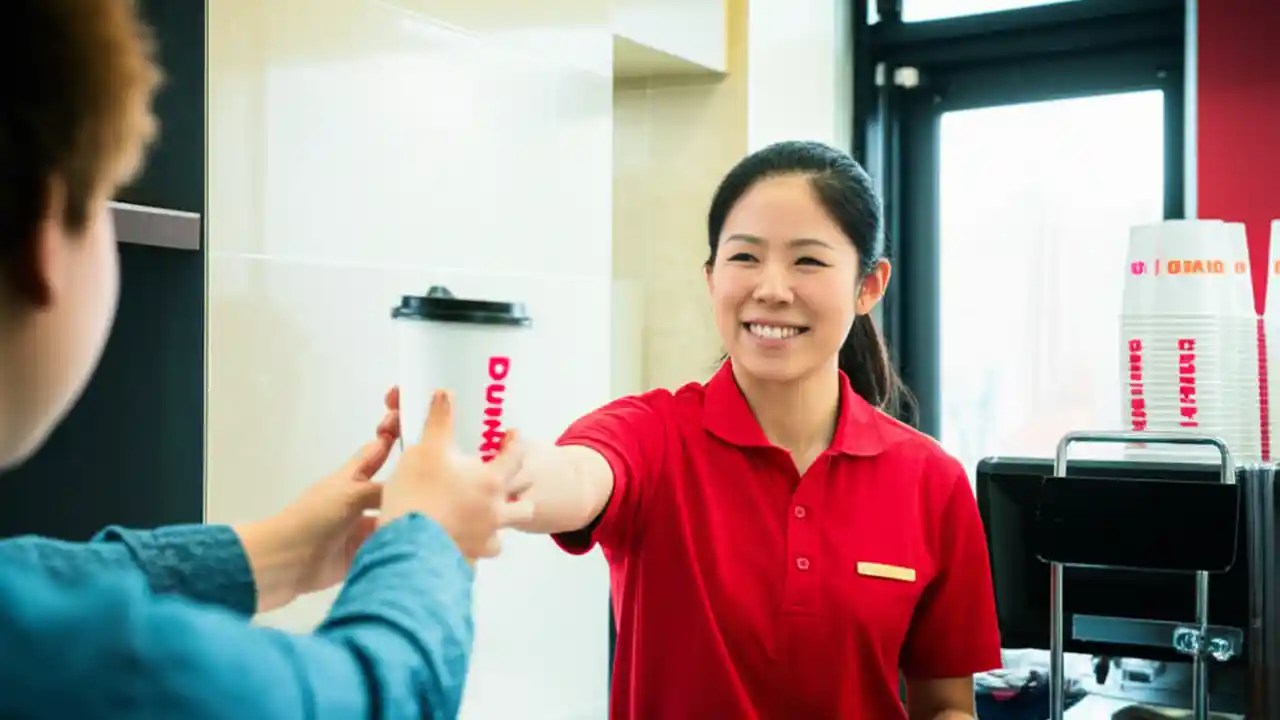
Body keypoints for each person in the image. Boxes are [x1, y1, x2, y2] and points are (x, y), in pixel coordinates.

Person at [0, 1, 530, 717]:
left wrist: (276, 551)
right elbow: (364, 699)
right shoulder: (89, 668)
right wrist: (430, 543)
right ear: (44, 231)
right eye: (104, 199)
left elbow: (28, 580)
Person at [389, 140, 1003, 718]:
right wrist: (505, 478)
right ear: (712, 276)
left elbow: (945, 702)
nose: (770, 289)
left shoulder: (932, 482)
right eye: (744, 257)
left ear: (869, 285)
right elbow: (578, 475)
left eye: (808, 261)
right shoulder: (652, 436)